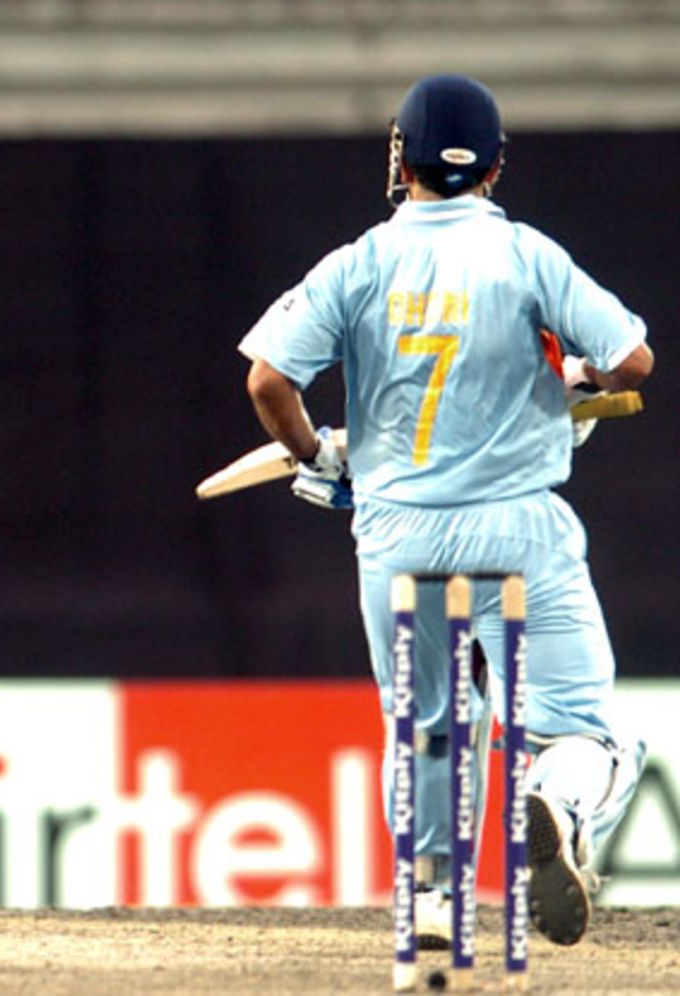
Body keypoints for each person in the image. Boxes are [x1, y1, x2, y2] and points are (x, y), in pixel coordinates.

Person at [237, 74, 653, 949]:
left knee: (430, 726)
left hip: (396, 533)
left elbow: (269, 380)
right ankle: (559, 802)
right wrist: (580, 377)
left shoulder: (359, 262)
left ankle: (430, 900)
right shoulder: (526, 255)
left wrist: (319, 458)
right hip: (517, 527)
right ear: (496, 166)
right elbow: (633, 359)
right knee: (579, 729)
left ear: (402, 159)